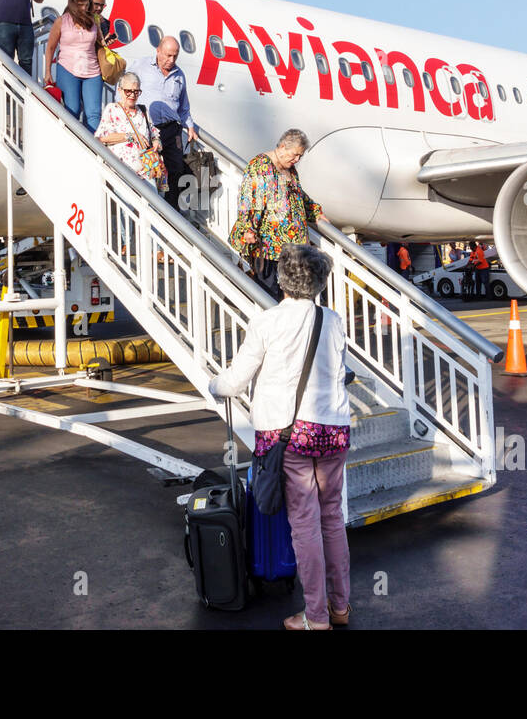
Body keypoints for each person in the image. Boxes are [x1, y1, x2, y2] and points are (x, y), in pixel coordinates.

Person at [208, 244, 351, 631]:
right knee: (332, 519)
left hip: (289, 436)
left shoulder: (267, 322)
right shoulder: (333, 320)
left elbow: (235, 379)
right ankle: (340, 607)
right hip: (333, 430)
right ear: (320, 282)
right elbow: (342, 369)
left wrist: (214, 385)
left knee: (304, 525)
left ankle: (316, 616)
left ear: (282, 280)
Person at [230, 129, 328, 300]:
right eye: (295, 154)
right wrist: (248, 228)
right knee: (269, 297)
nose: (297, 159)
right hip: (268, 248)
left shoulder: (289, 169)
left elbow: (298, 196)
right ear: (283, 146)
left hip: (291, 248)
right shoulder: (261, 165)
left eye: (300, 156)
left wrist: (315, 212)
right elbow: (250, 199)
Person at [132, 36, 196, 210]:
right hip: (147, 127)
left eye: (175, 56)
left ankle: (171, 212)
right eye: (168, 55)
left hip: (171, 128)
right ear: (158, 51)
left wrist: (190, 126)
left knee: (175, 169)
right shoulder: (141, 66)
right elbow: (124, 87)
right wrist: (124, 112)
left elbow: (183, 106)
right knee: (148, 169)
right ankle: (147, 209)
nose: (171, 60)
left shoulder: (179, 75)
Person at [44, 0, 104, 132]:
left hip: (92, 72)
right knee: (73, 110)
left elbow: (101, 44)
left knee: (94, 114)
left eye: (86, 4)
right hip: (68, 69)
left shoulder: (94, 21)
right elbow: (50, 47)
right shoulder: (62, 21)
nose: (84, 8)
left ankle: (93, 151)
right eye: (80, 4)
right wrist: (48, 72)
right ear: (73, 3)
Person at [94, 72, 165, 192]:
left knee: (152, 207)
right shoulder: (112, 109)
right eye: (128, 91)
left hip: (146, 172)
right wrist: (129, 136)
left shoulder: (143, 111)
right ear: (120, 90)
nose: (133, 95)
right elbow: (101, 138)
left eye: (136, 91)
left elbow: (154, 134)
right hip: (123, 172)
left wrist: (157, 141)